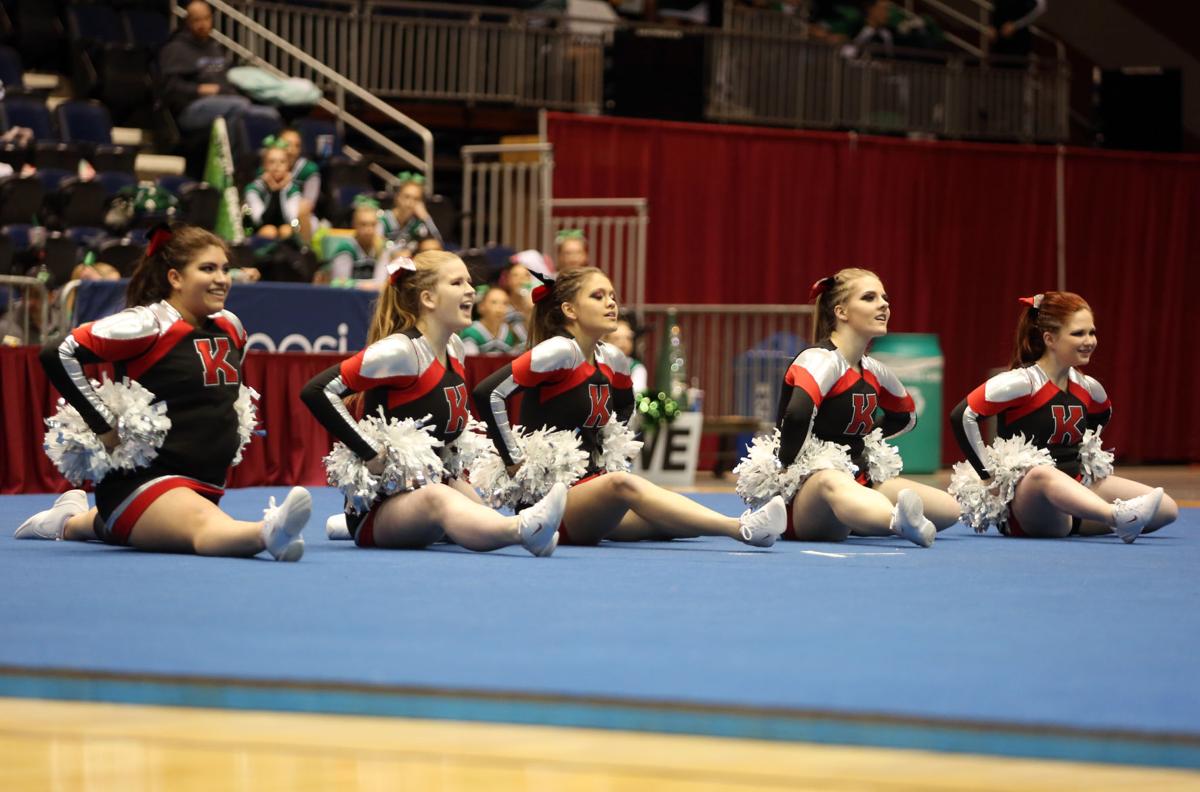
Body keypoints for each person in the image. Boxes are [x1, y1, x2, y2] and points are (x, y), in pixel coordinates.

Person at [15, 225, 310, 560]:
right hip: (145, 479)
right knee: (203, 526)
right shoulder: (147, 324)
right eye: (207, 269)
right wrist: (102, 424)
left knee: (176, 519)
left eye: (225, 269)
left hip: (203, 480)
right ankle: (269, 532)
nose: (222, 279)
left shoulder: (231, 326)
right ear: (175, 278)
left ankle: (67, 520)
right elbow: (58, 352)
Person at [474, 265, 786, 548]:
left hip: (591, 493)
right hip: (549, 502)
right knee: (622, 483)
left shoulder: (612, 359)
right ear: (569, 309)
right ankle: (744, 527)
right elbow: (488, 393)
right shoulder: (558, 350)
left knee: (668, 524)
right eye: (598, 296)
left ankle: (742, 526)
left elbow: (625, 406)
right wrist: (513, 457)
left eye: (612, 295)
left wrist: (612, 449)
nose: (611, 303)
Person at [300, 251, 566, 555]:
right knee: (440, 500)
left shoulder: (454, 348)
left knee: (473, 508)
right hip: (380, 507)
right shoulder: (401, 351)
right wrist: (368, 451)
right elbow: (317, 390)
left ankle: (340, 527)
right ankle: (524, 529)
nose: (470, 290)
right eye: (456, 282)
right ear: (428, 298)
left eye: (469, 281)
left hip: (433, 483)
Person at [737, 268, 960, 547]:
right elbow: (797, 414)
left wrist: (867, 443)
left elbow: (905, 416)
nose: (884, 304)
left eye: (884, 297)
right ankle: (894, 522)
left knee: (948, 510)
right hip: (805, 492)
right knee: (832, 480)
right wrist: (785, 467)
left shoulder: (875, 370)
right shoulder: (819, 359)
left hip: (858, 480)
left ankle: (864, 516)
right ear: (842, 312)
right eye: (869, 297)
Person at [948, 291, 1176, 541]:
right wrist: (988, 476)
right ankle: (1115, 516)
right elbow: (963, 415)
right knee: (1040, 473)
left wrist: (1088, 457)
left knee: (1165, 509)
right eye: (1078, 333)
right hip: (1028, 503)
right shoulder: (1021, 383)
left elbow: (1101, 417)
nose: (1089, 341)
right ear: (1050, 339)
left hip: (1075, 492)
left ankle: (1098, 513)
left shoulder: (1089, 388)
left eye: (1092, 332)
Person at [159, 0, 280, 156]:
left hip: (226, 102)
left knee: (271, 113)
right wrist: (198, 89)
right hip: (190, 109)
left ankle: (259, 163)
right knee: (238, 106)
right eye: (197, 20)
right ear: (188, 21)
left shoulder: (214, 48)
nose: (203, 24)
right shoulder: (175, 49)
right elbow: (169, 88)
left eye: (206, 18)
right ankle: (234, 165)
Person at [245, 139, 310, 242]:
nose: (277, 166)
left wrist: (281, 191)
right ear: (264, 165)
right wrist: (274, 190)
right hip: (258, 231)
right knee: (269, 231)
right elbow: (260, 220)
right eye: (272, 162)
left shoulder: (292, 189)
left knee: (286, 230)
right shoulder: (254, 189)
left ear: (288, 166)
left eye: (282, 162)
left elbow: (291, 220)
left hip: (284, 229)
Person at [379, 172, 442, 250]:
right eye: (407, 197)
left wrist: (426, 217)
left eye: (416, 199)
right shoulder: (382, 220)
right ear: (397, 197)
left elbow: (437, 246)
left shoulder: (417, 223)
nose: (410, 203)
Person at [460, 285, 527, 355]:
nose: (500, 308)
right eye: (494, 302)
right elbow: (470, 360)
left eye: (505, 303)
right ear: (481, 306)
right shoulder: (471, 332)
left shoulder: (511, 333)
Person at [603, 311, 648, 393]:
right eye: (616, 338)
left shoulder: (636, 368)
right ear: (605, 341)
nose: (623, 344)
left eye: (628, 338)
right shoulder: (597, 364)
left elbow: (636, 395)